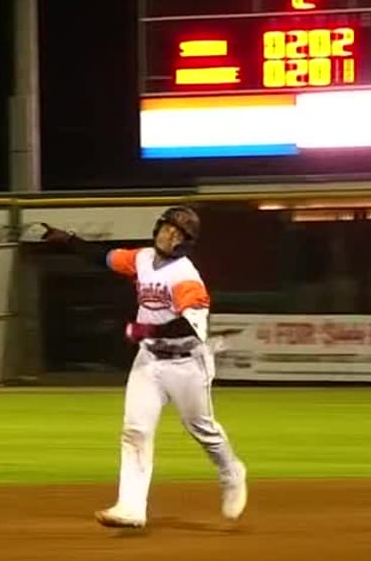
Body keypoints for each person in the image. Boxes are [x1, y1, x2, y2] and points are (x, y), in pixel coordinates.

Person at [40, 206, 248, 528]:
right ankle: (131, 507)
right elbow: (104, 258)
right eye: (167, 228)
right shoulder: (142, 258)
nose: (170, 235)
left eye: (179, 234)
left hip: (187, 364)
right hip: (149, 361)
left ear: (186, 243)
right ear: (158, 228)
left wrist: (145, 329)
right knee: (135, 430)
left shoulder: (186, 277)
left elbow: (189, 329)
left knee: (203, 429)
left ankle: (231, 471)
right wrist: (68, 240)